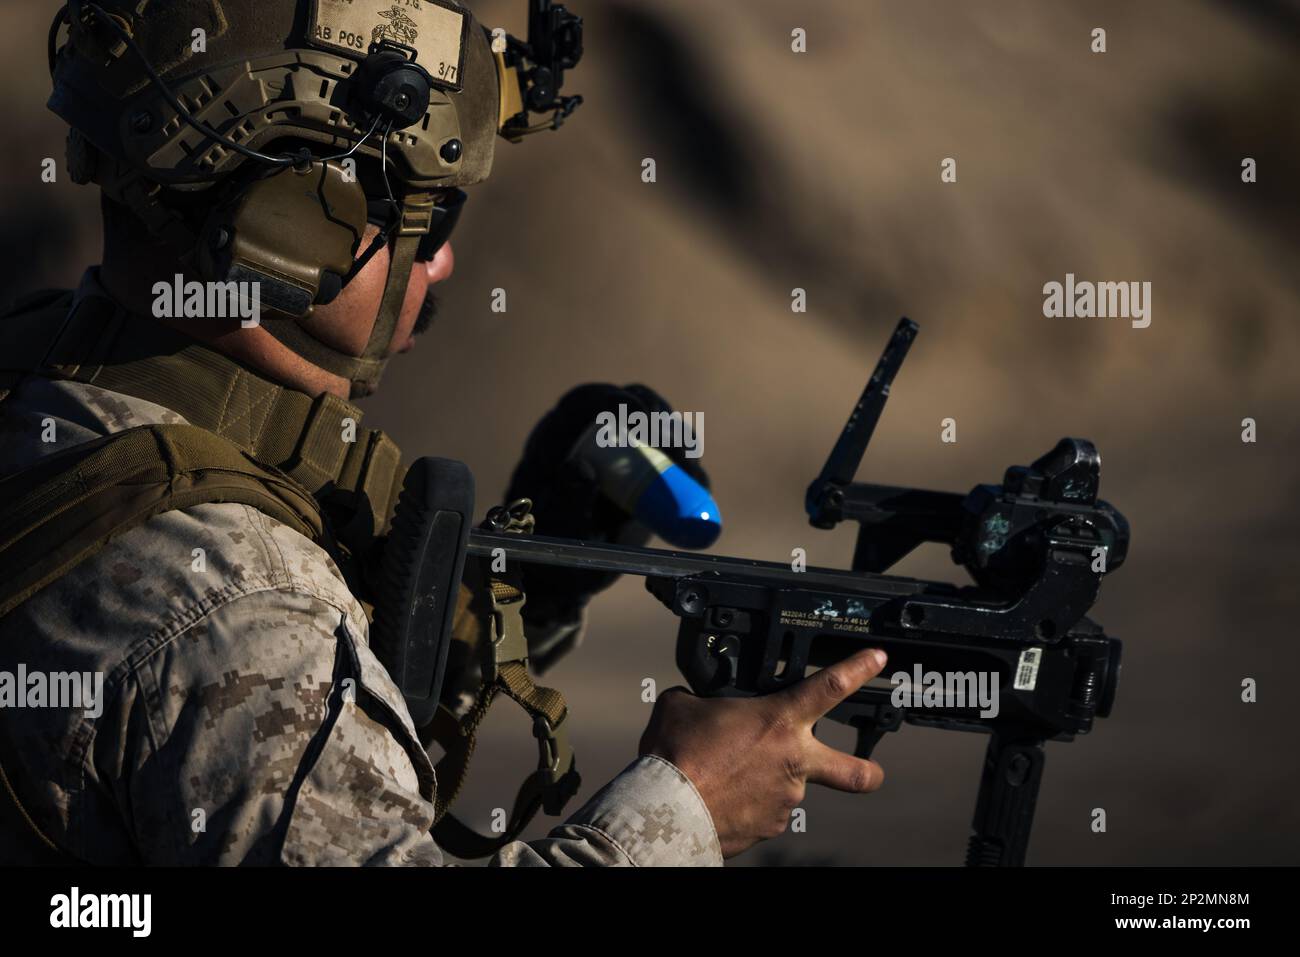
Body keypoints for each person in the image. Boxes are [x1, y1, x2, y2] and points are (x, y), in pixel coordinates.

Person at [0, 0, 885, 866]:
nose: (445, 258)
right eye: (434, 216)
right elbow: (241, 680)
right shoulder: (243, 610)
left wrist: (517, 599)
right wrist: (688, 808)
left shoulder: (49, 397)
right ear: (293, 222)